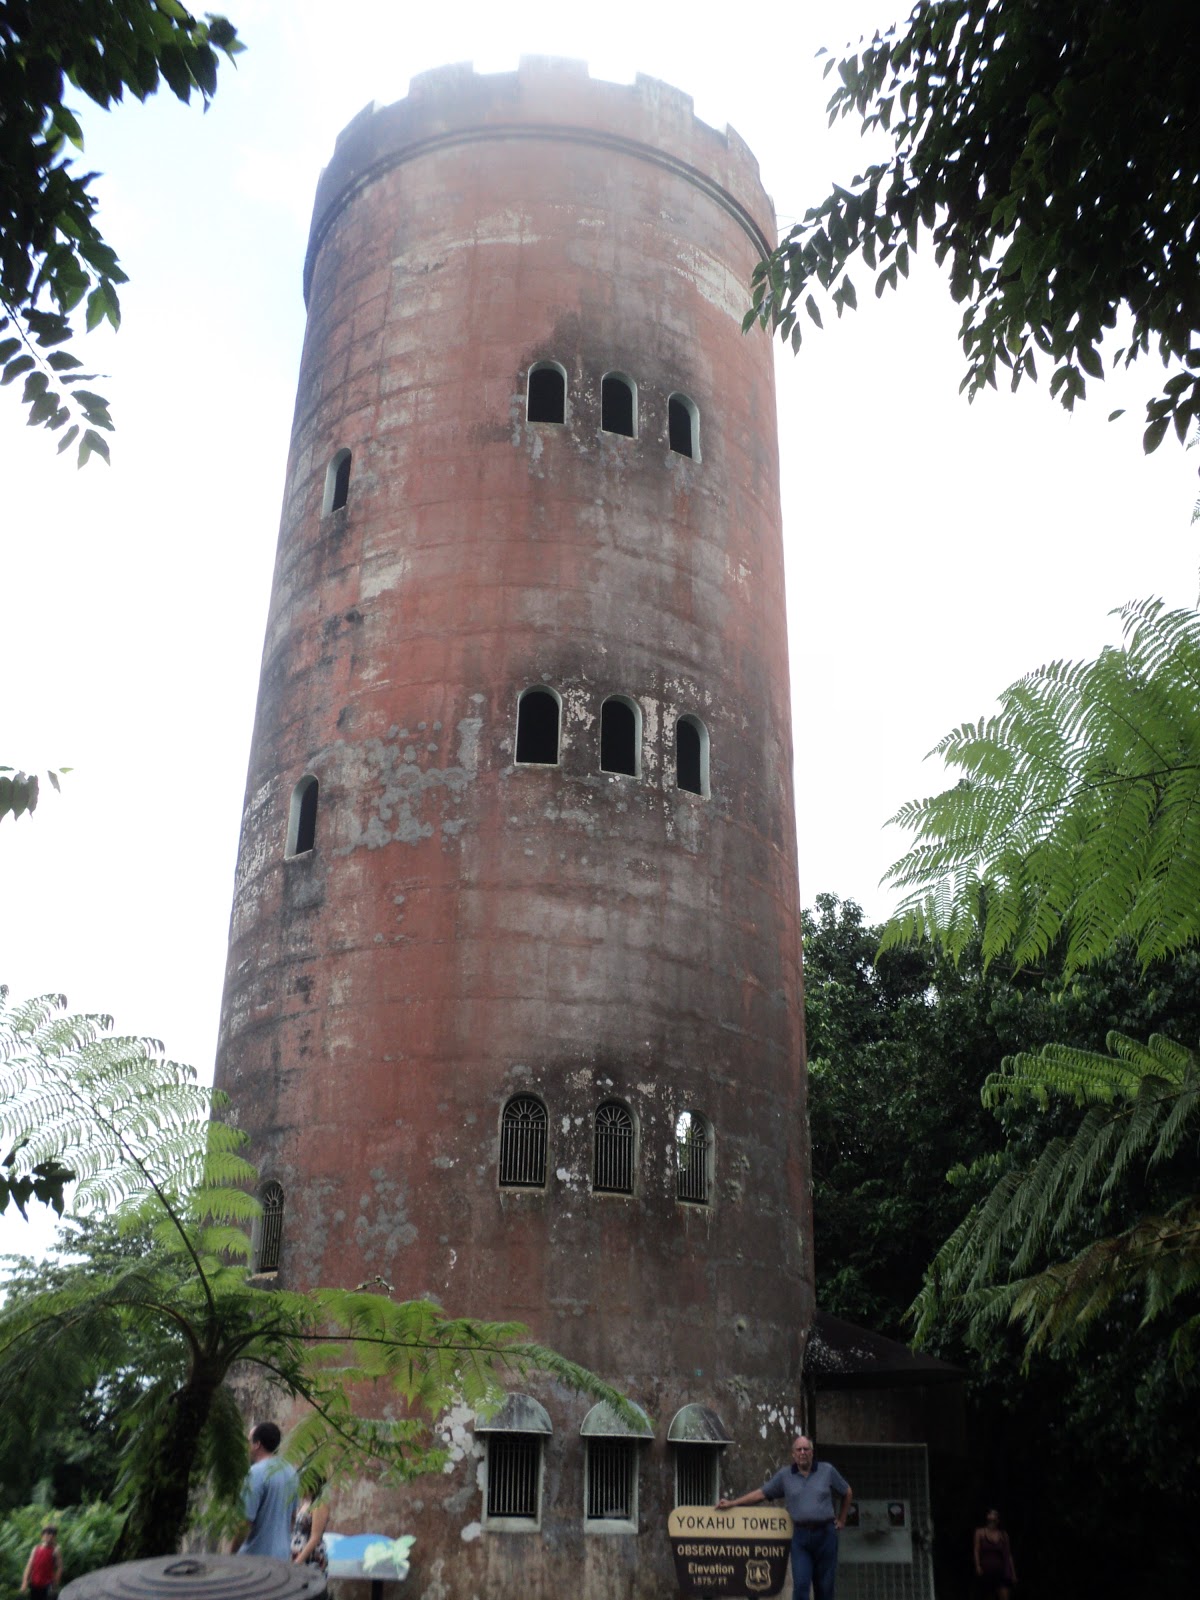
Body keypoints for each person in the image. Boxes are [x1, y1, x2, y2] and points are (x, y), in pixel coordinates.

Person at [718, 1434, 853, 1600]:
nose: (803, 1452)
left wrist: (842, 1519)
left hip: (826, 1535)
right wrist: (733, 1503)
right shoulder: (785, 1476)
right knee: (801, 1587)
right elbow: (761, 1493)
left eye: (806, 1449)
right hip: (801, 1538)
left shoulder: (827, 1470)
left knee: (825, 1588)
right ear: (793, 1454)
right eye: (799, 1449)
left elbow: (847, 1492)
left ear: (812, 1452)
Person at [232, 1421, 300, 1559]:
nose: (248, 1446)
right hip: (282, 1557)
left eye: (249, 1441)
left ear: (257, 1444)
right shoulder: (291, 1472)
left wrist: (232, 1553)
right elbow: (293, 1517)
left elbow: (245, 1522)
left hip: (256, 1559)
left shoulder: (255, 1473)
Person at [291, 1475, 330, 1571]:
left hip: (309, 1558)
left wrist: (297, 1562)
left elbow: (315, 1538)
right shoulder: (305, 1503)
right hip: (298, 1556)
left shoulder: (319, 1505)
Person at [974, 1507, 1017, 1596]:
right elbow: (976, 1550)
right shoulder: (980, 1532)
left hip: (1001, 1570)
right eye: (990, 1513)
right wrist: (978, 1566)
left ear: (998, 1519)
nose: (992, 1516)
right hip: (986, 1570)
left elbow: (1008, 1555)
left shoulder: (1003, 1535)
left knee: (1004, 1595)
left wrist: (1013, 1573)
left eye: (995, 1514)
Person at [20, 1525, 62, 1600]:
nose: (50, 1536)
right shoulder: (35, 1549)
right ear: (42, 1536)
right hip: (34, 1583)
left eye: (53, 1534)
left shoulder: (55, 1550)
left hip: (47, 1584)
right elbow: (29, 1566)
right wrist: (24, 1582)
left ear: (55, 1537)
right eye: (48, 1533)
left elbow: (59, 1567)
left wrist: (56, 1582)